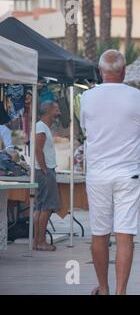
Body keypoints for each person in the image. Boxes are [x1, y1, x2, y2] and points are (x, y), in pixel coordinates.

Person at [80, 50, 140, 295]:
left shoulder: (87, 98)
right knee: (125, 236)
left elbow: (85, 129)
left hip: (98, 174)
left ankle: (103, 288)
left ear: (101, 72)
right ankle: (121, 292)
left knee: (99, 234)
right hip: (128, 173)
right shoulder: (138, 96)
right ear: (124, 71)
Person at [33, 102, 61, 251]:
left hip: (45, 170)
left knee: (41, 207)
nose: (59, 113)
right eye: (56, 110)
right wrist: (44, 169)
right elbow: (38, 149)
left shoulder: (43, 127)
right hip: (44, 171)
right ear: (49, 111)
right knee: (46, 207)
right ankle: (41, 241)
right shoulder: (41, 127)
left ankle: (37, 241)